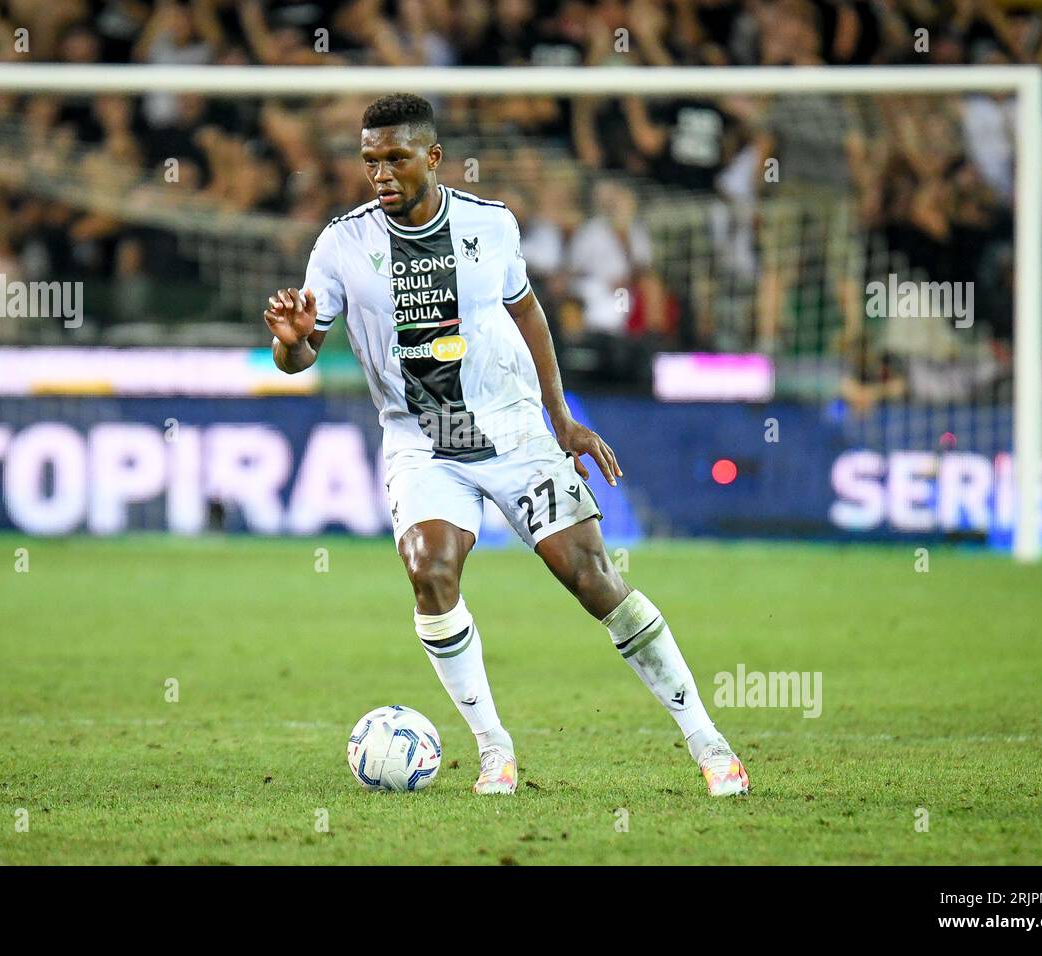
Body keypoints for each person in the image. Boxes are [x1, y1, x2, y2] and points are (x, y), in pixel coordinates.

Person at [263, 94, 749, 797]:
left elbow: (527, 310)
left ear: (432, 157)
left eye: (396, 158)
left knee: (593, 581)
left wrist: (562, 416)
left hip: (513, 429)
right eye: (370, 161)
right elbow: (301, 356)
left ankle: (710, 745)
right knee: (430, 571)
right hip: (419, 441)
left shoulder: (490, 226)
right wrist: (290, 343)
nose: (381, 173)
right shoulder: (342, 244)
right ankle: (495, 751)